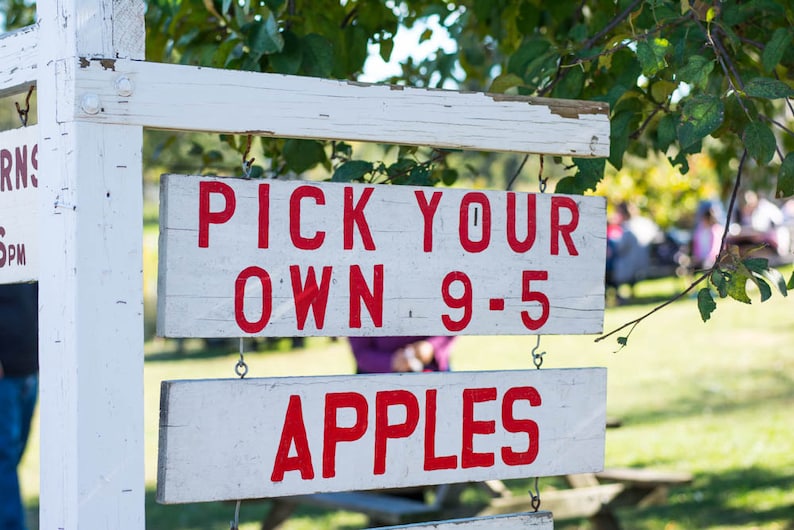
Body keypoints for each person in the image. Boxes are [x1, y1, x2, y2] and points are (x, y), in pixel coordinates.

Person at [0, 282, 38, 530]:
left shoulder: (31, 245)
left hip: (30, 370)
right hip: (4, 377)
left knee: (13, 457)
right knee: (3, 459)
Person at [348, 336, 455, 374]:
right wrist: (390, 361)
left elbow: (452, 318)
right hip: (377, 374)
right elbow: (361, 351)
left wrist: (432, 346)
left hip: (432, 369)